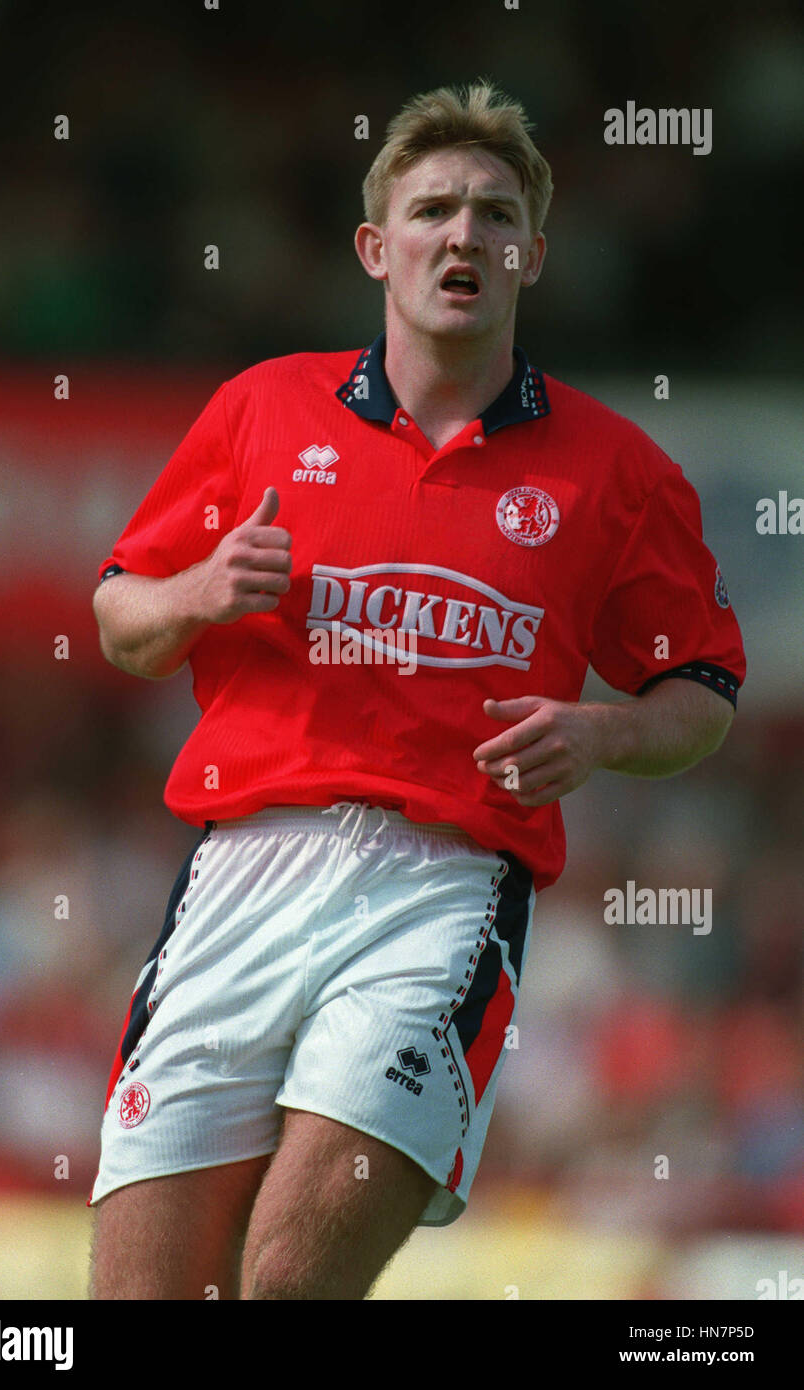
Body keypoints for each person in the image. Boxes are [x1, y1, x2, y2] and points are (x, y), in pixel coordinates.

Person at [87, 81, 746, 1300]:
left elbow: (702, 688)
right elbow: (120, 616)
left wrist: (605, 732)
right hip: (238, 876)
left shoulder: (620, 470)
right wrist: (197, 594)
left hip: (439, 890)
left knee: (286, 1281)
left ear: (532, 256)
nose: (464, 235)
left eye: (496, 215)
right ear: (375, 248)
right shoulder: (259, 408)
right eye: (433, 208)